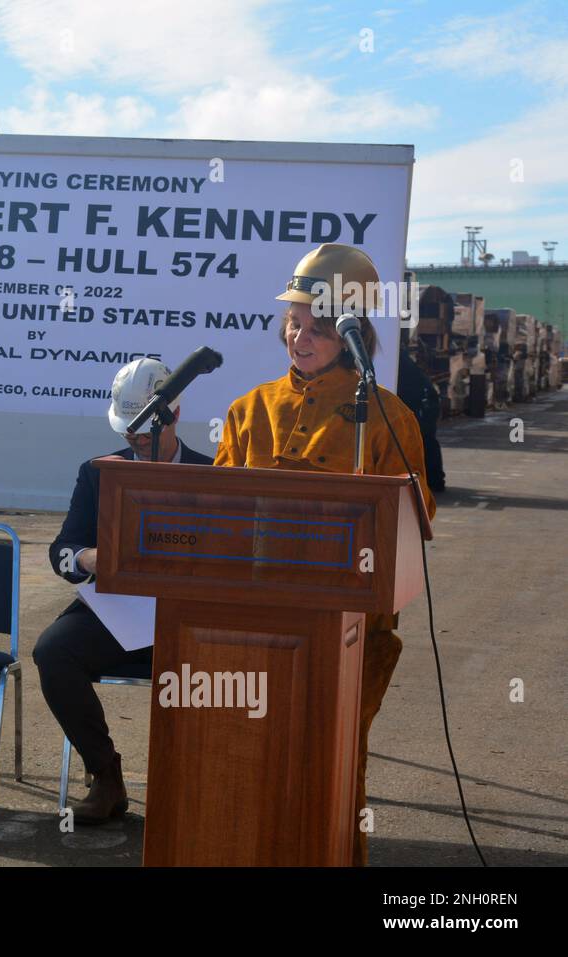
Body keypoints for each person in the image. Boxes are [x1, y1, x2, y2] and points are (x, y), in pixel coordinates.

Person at [214, 243, 436, 866]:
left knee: (332, 761)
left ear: (352, 333)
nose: (299, 337)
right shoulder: (249, 409)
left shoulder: (388, 417)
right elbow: (216, 510)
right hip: (254, 622)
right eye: (293, 323)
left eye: (315, 327)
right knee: (248, 757)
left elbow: (417, 517)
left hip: (352, 631)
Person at [34, 357, 214, 825]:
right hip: (117, 612)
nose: (136, 438)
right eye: (128, 430)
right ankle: (105, 775)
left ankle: (204, 787)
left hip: (186, 617)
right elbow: (62, 549)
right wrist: (89, 558)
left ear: (174, 414)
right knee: (53, 651)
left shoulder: (214, 473)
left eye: (145, 428)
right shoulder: (98, 472)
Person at [396, 344, 446, 493]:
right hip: (424, 402)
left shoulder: (398, 362)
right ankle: (434, 480)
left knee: (425, 440)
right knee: (427, 440)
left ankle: (434, 480)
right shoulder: (402, 360)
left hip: (423, 404)